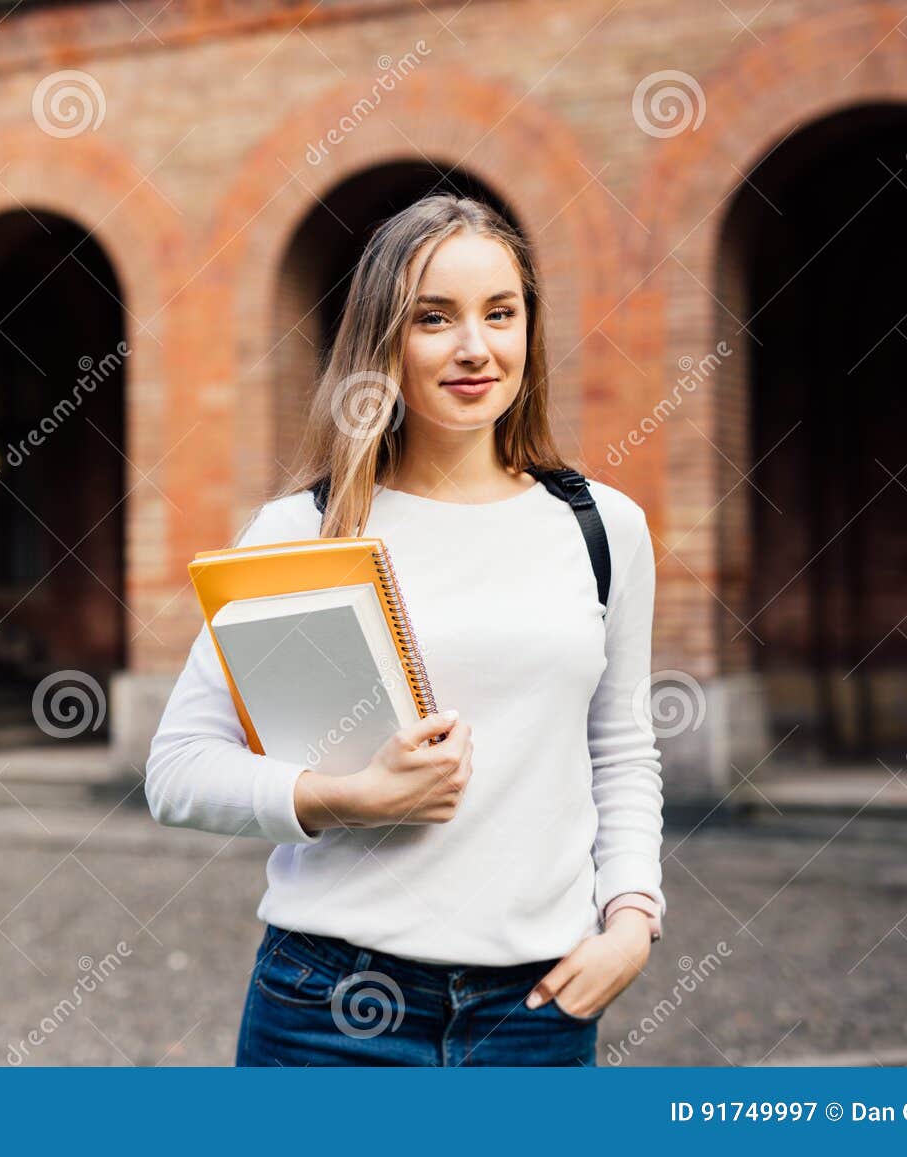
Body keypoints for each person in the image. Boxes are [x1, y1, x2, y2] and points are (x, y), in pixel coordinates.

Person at [144, 192, 665, 1066]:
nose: (475, 347)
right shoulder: (305, 530)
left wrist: (633, 918)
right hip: (328, 1007)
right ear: (383, 342)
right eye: (435, 318)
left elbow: (621, 747)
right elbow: (178, 769)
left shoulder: (602, 527)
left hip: (535, 1013)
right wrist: (346, 797)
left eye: (500, 313)